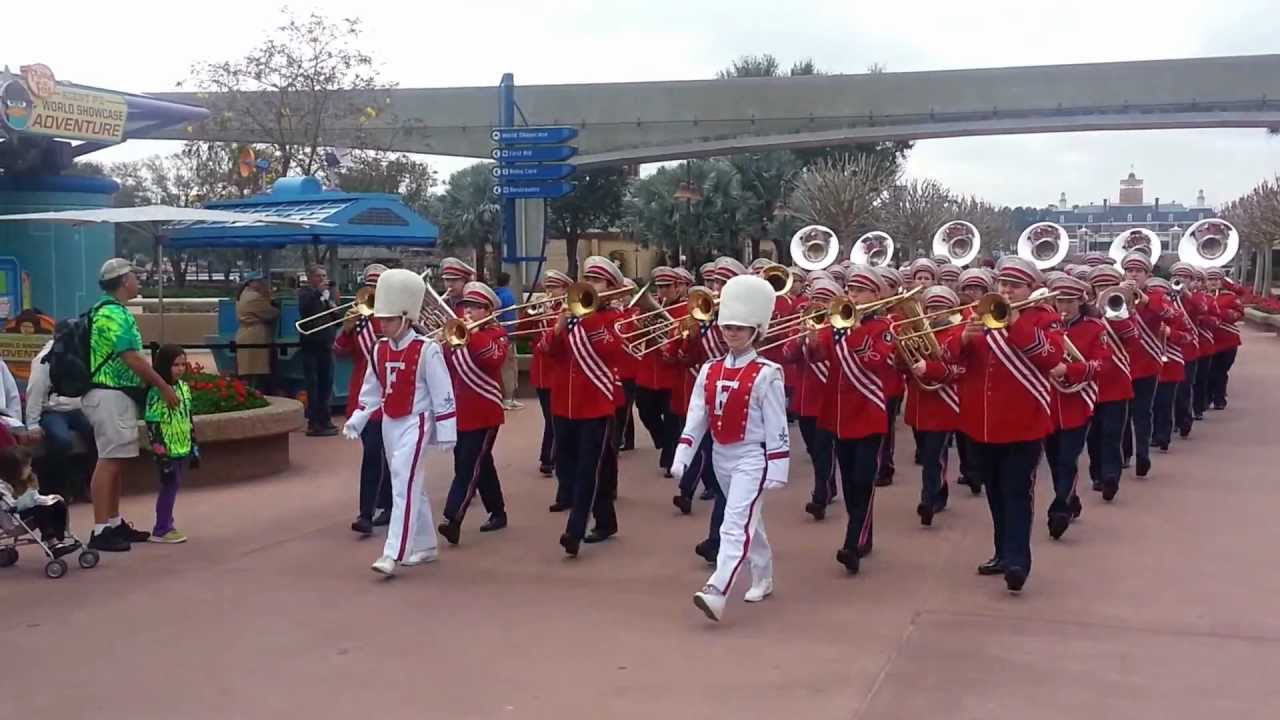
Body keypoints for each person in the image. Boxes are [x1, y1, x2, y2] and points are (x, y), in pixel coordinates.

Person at [672, 274, 789, 622]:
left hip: (751, 456)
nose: (732, 333)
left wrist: (778, 467)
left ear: (755, 330)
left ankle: (718, 589)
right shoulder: (709, 369)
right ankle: (764, 575)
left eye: (740, 327)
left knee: (733, 523)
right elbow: (697, 417)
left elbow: (777, 426)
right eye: (728, 327)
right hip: (721, 456)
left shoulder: (768, 373)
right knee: (750, 519)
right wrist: (683, 456)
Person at [947, 256, 1064, 593]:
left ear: (1030, 288)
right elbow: (946, 356)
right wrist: (963, 340)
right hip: (980, 423)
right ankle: (1002, 552)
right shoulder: (977, 316)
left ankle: (1018, 560)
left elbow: (1052, 357)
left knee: (1016, 491)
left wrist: (1015, 322)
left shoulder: (1045, 318)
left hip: (1023, 423)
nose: (1007, 290)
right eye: (1002, 285)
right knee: (995, 492)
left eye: (1014, 285)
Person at [343, 269, 458, 576]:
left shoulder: (427, 349)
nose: (383, 324)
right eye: (382, 319)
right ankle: (426, 545)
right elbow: (372, 389)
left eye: (390, 319)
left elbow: (442, 390)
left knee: (403, 484)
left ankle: (393, 552)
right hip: (389, 423)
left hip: (417, 421)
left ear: (406, 318)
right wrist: (358, 418)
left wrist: (447, 429)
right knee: (407, 483)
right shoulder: (379, 349)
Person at [83, 258, 180, 553]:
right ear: (123, 281)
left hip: (116, 395)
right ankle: (100, 530)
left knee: (117, 461)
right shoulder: (112, 314)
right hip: (109, 394)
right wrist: (162, 386)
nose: (139, 281)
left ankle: (113, 522)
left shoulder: (113, 311)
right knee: (109, 461)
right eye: (135, 277)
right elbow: (131, 357)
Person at [807, 266, 897, 575]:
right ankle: (862, 535)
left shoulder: (883, 327)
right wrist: (812, 338)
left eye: (859, 291)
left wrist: (856, 328)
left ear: (874, 295)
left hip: (868, 412)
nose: (852, 295)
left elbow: (875, 361)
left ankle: (852, 543)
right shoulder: (836, 325)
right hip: (839, 415)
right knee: (849, 481)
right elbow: (816, 357)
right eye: (851, 290)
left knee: (863, 478)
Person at [538, 256, 628, 557]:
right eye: (588, 278)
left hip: (597, 404)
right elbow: (547, 351)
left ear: (612, 288)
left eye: (598, 281)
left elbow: (612, 351)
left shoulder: (615, 319)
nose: (591, 284)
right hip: (564, 403)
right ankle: (606, 520)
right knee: (572, 465)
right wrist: (559, 326)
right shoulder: (567, 316)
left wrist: (585, 321)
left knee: (589, 469)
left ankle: (574, 531)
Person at [438, 281, 510, 545]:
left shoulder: (496, 334)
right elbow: (446, 366)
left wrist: (474, 332)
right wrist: (442, 343)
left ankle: (452, 518)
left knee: (468, 466)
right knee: (480, 463)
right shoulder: (457, 334)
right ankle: (498, 511)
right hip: (461, 411)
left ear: (489, 310)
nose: (468, 311)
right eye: (467, 305)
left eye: (476, 307)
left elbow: (493, 359)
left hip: (486, 410)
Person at [1044, 275, 1108, 540]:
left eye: (1070, 301)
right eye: (1060, 300)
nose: (1064, 306)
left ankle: (1060, 508)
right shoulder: (1046, 326)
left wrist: (1068, 369)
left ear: (1081, 301)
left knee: (1067, 459)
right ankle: (1071, 498)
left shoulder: (1095, 328)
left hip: (1077, 404)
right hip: (1047, 403)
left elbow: (1101, 364)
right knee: (1053, 460)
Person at [333, 264, 392, 536]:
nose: (373, 292)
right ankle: (373, 509)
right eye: (369, 287)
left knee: (382, 454)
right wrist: (346, 330)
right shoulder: (358, 319)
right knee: (373, 454)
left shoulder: (394, 319)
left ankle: (378, 508)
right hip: (364, 397)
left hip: (389, 395)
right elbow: (340, 352)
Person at [903, 286, 966, 527]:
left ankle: (928, 500)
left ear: (950, 310)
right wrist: (903, 353)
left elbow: (960, 371)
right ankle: (940, 491)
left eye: (939, 308)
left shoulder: (956, 334)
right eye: (930, 308)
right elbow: (901, 365)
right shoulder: (914, 331)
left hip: (943, 403)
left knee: (932, 456)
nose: (932, 313)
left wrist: (929, 369)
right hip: (919, 402)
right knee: (928, 454)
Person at [781, 278, 841, 520]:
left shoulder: (839, 327)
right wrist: (799, 339)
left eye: (825, 300)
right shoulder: (802, 324)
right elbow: (787, 354)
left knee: (823, 448)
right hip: (803, 399)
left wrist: (817, 344)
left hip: (826, 397)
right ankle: (828, 486)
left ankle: (820, 496)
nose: (819, 305)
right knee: (814, 449)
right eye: (816, 299)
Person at [1085, 266, 1136, 502]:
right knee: (1093, 436)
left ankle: (1110, 477)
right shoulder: (1087, 315)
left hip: (1117, 385)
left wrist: (1121, 317)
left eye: (1108, 286)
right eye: (1099, 287)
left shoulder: (1125, 312)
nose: (1104, 291)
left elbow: (1134, 339)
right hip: (1091, 384)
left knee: (1112, 434)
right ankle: (1097, 474)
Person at [25, 339, 95, 500]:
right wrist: (32, 424)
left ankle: (90, 484)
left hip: (78, 409)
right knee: (61, 440)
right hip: (51, 411)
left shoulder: (82, 356)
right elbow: (34, 392)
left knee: (98, 434)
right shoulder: (45, 360)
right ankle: (58, 488)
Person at [145, 345, 198, 544]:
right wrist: (161, 453)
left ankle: (167, 523)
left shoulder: (183, 388)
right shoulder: (157, 392)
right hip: (166, 449)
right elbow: (153, 424)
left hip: (182, 446)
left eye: (183, 364)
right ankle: (161, 528)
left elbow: (188, 417)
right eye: (175, 365)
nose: (180, 369)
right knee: (169, 486)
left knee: (174, 486)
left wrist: (194, 445)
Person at [528, 270, 572, 478]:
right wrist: (531, 312)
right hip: (541, 372)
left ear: (564, 289)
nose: (549, 292)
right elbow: (523, 331)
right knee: (550, 417)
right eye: (547, 288)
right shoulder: (541, 310)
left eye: (553, 287)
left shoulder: (567, 311)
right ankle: (550, 457)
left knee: (553, 418)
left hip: (556, 372)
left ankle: (549, 458)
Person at [0, 446, 78, 556]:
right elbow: (10, 506)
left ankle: (60, 536)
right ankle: (52, 543)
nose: (30, 468)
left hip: (27, 515)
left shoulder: (28, 480)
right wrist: (33, 502)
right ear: (13, 469)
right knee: (41, 509)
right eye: (26, 466)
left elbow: (35, 498)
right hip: (14, 522)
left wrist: (51, 498)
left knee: (57, 504)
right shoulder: (3, 487)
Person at [297, 265, 338, 436]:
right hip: (311, 346)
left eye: (324, 276)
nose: (323, 279)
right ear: (311, 278)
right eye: (319, 276)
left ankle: (325, 419)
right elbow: (305, 310)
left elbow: (338, 319)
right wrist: (318, 293)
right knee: (313, 385)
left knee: (326, 385)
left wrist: (330, 303)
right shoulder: (305, 293)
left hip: (326, 345)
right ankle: (314, 422)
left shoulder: (327, 296)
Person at [234, 272, 279, 393]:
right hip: (254, 336)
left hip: (246, 334)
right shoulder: (254, 297)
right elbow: (272, 313)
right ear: (251, 283)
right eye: (258, 281)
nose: (261, 283)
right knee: (255, 373)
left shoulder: (244, 294)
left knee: (249, 373)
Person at [1205, 268, 1243, 410]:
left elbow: (1238, 314)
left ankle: (1219, 397)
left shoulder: (1230, 297)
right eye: (1210, 279)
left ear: (1221, 282)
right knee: (1209, 371)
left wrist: (1218, 312)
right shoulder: (1200, 297)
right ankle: (1208, 398)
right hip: (1209, 341)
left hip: (1228, 342)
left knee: (1221, 371)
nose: (1213, 282)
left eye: (1216, 280)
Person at [493, 271, 523, 411]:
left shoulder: (494, 295)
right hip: (508, 335)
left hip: (498, 335)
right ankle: (508, 399)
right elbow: (510, 317)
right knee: (509, 368)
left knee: (506, 367)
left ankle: (507, 397)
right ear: (508, 281)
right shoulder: (508, 296)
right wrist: (512, 333)